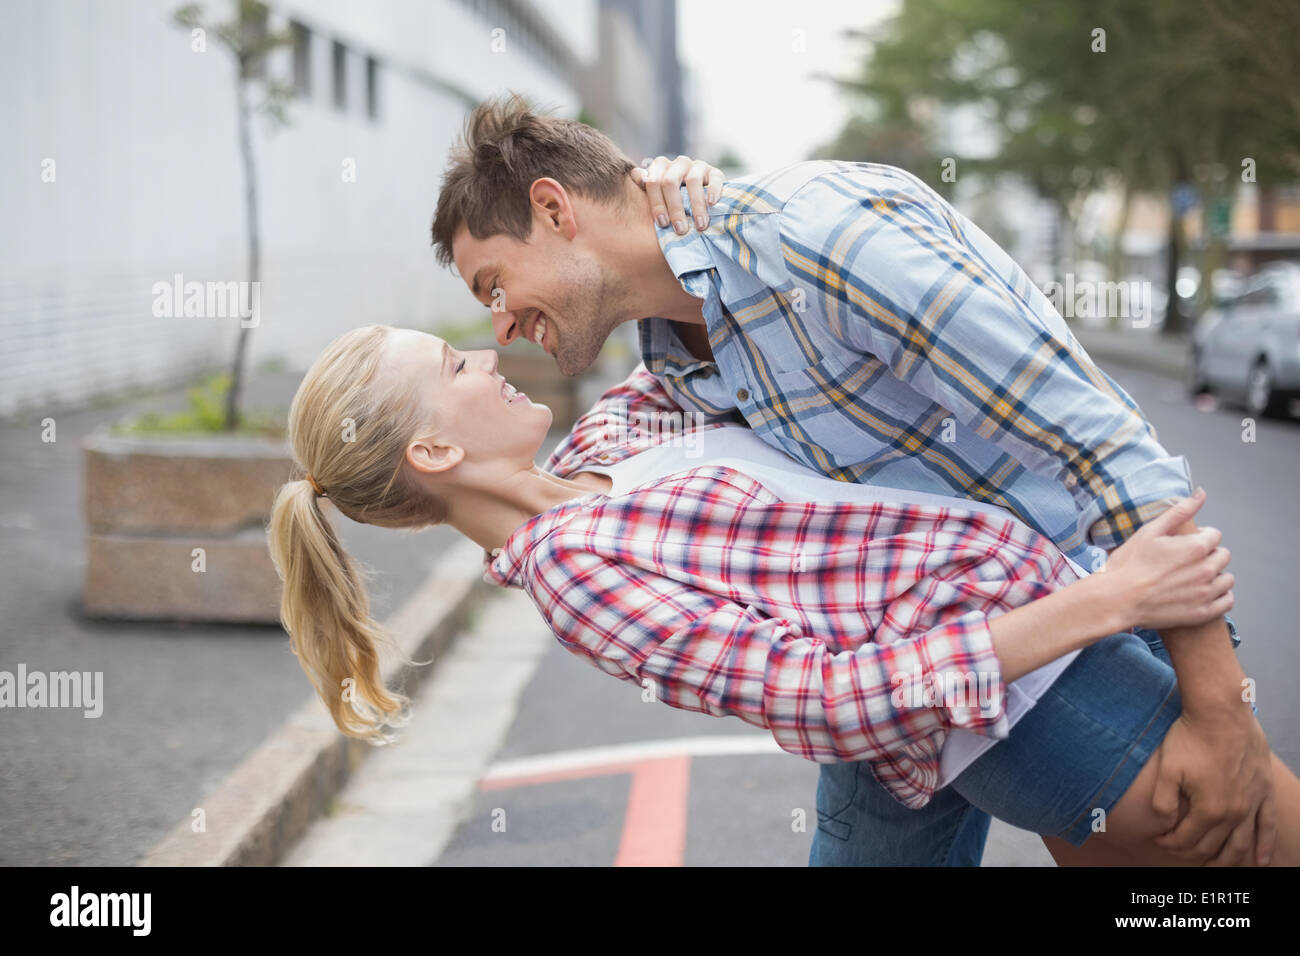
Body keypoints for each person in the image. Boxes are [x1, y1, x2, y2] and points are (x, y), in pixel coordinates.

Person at [428, 94, 1275, 866]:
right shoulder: (673, 363)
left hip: (1076, 636)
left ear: (552, 208)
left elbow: (1098, 440)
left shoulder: (815, 237)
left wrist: (1221, 708)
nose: (497, 326)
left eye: (494, 284)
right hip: (937, 685)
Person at [265, 324, 1299, 866]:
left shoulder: (602, 446)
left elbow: (694, 330)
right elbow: (825, 697)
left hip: (1041, 658)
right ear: (436, 448)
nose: (488, 351)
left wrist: (685, 199)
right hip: (1046, 694)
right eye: (455, 364)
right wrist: (1111, 598)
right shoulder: (576, 572)